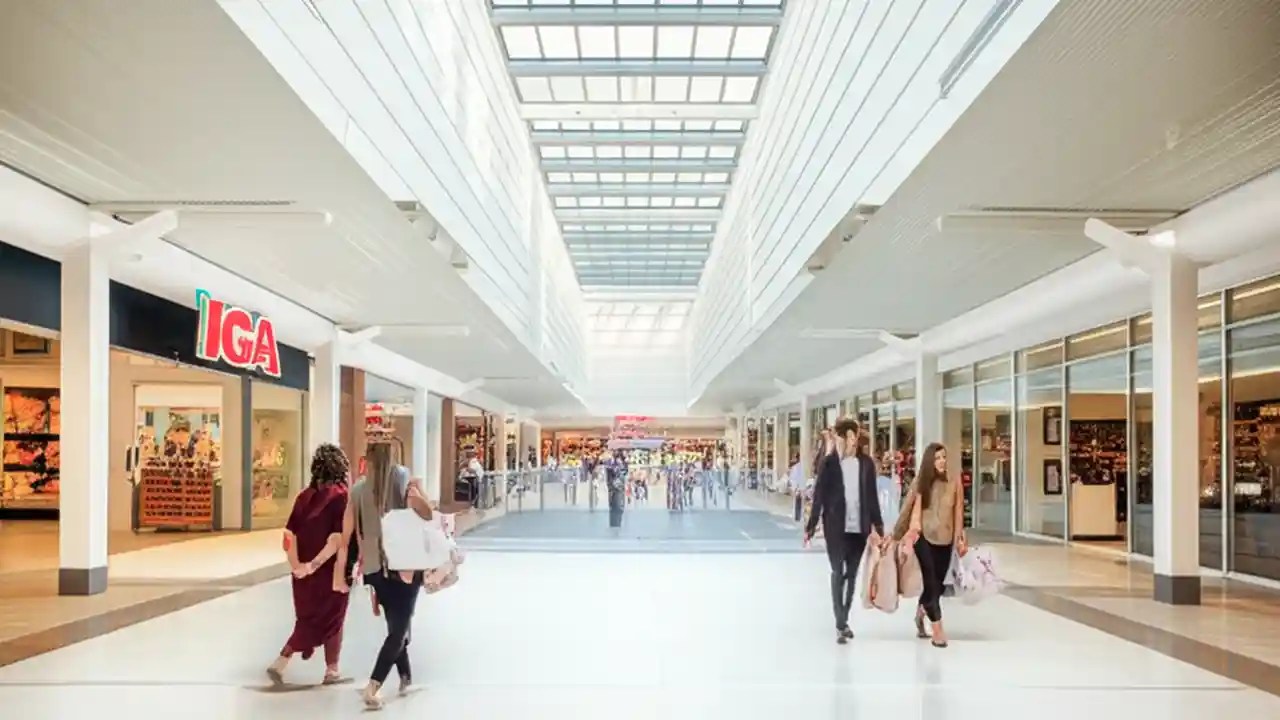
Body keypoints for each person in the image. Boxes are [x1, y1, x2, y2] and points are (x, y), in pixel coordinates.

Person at [336, 444, 435, 710]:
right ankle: (374, 685)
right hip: (404, 565)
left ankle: (406, 678)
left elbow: (351, 534)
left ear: (367, 460)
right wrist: (417, 494)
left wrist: (351, 566)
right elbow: (428, 515)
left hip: (375, 569)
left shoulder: (357, 490)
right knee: (400, 631)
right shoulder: (402, 479)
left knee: (397, 627)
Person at [267, 443, 352, 686]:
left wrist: (297, 566)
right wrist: (313, 565)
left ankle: (282, 661)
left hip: (301, 573)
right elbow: (336, 539)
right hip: (329, 570)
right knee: (333, 618)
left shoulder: (304, 496)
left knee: (307, 618)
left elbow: (289, 535)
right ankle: (332, 669)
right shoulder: (341, 496)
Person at [804, 417, 885, 645]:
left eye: (854, 437)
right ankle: (840, 623)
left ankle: (844, 618)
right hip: (835, 527)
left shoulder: (866, 464)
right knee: (837, 572)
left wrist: (879, 527)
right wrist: (811, 526)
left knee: (851, 575)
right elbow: (819, 495)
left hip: (859, 528)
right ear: (840, 438)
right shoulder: (829, 463)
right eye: (848, 437)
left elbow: (872, 498)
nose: (852, 441)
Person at [897, 442, 965, 649]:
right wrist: (893, 536)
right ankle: (938, 631)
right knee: (930, 581)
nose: (942, 461)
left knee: (937, 586)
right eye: (937, 458)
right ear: (929, 461)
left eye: (944, 457)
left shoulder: (954, 482)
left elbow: (958, 512)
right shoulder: (921, 482)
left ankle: (921, 612)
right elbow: (906, 510)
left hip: (945, 539)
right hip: (923, 536)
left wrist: (960, 537)